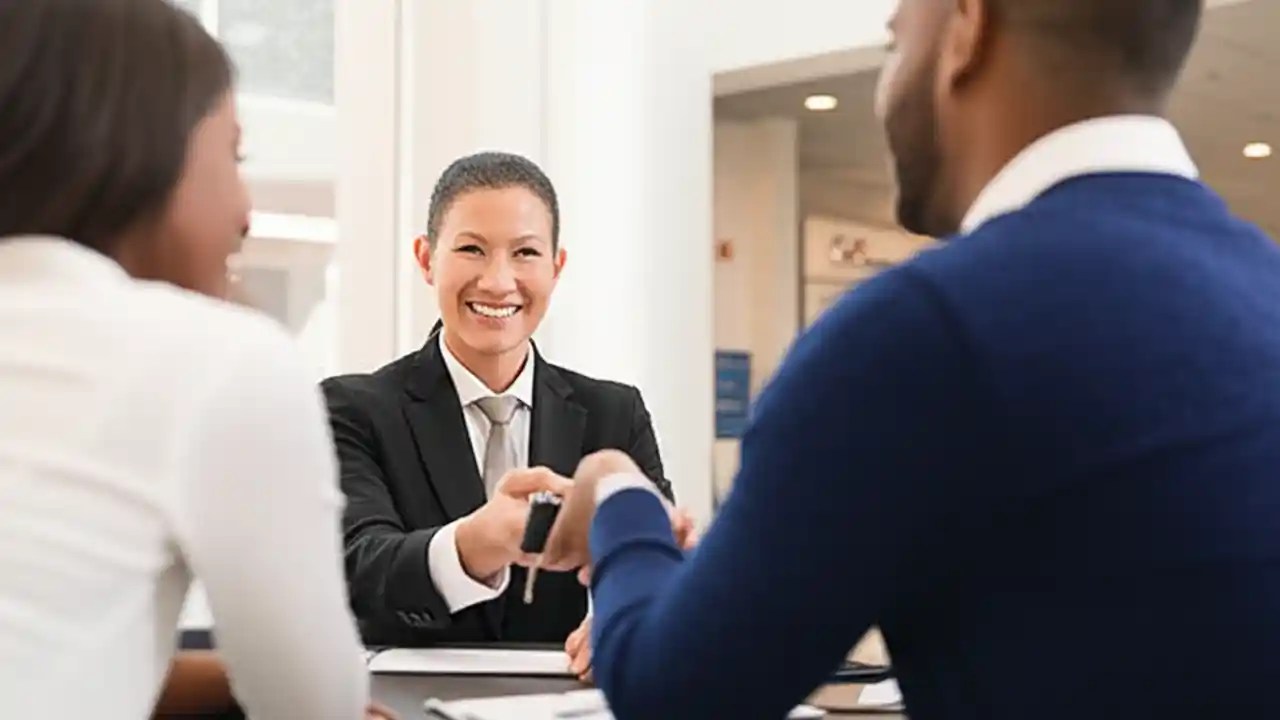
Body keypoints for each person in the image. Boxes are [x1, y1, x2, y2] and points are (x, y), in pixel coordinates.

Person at [535, 0, 1280, 717]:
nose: (885, 87)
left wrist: (616, 494)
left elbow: (679, 690)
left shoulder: (921, 334)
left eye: (894, 44)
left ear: (968, 25)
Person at [0, 1, 383, 718]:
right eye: (234, 156)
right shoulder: (217, 359)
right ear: (147, 154)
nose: (245, 211)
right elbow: (314, 707)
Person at [322, 152, 677, 663]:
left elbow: (656, 561)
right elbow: (358, 567)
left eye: (525, 253)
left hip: (562, 696)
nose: (497, 281)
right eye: (472, 249)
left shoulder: (613, 414)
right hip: (406, 696)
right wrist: (477, 542)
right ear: (426, 258)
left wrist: (626, 616)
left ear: (556, 267)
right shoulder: (353, 409)